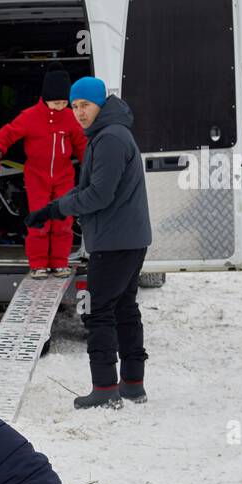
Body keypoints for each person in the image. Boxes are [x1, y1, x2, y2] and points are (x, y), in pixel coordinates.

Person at [26, 76, 152, 409]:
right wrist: (53, 209)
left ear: (100, 104)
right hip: (127, 238)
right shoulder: (109, 133)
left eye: (86, 106)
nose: (80, 113)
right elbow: (92, 189)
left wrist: (57, 207)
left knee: (98, 311)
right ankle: (132, 384)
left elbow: (99, 195)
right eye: (76, 106)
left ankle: (104, 388)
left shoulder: (109, 138)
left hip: (115, 242)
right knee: (124, 308)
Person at [0, 67, 85, 278]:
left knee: (63, 221)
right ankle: (38, 263)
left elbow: (82, 144)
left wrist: (92, 165)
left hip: (63, 175)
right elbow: (8, 133)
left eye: (64, 103)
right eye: (56, 102)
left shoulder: (70, 118)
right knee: (40, 220)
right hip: (37, 175)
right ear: (46, 98)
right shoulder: (30, 117)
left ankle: (59, 262)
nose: (61, 107)